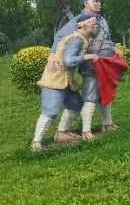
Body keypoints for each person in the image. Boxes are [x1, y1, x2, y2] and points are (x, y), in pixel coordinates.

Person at [53, 0, 120, 135]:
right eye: (95, 1)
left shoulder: (102, 19)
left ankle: (107, 124)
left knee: (104, 93)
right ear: (86, 3)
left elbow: (106, 38)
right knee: (90, 95)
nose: (98, 3)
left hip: (105, 63)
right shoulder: (79, 20)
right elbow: (63, 39)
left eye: (99, 1)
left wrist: (114, 48)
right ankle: (83, 131)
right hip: (91, 64)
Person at [31, 14, 99, 150]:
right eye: (93, 25)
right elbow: (68, 61)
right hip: (55, 80)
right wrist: (88, 56)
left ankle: (62, 133)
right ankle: (36, 142)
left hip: (66, 80)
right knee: (50, 111)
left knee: (76, 104)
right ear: (83, 26)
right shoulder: (77, 40)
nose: (95, 27)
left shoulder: (81, 38)